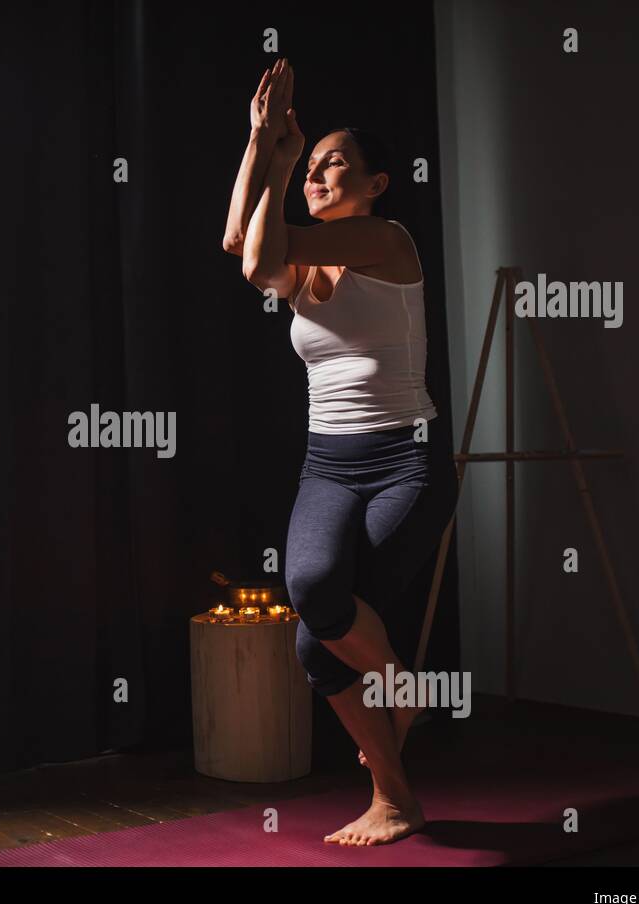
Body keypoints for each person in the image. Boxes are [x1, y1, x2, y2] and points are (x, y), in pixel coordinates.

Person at [223, 58, 458, 846]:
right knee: (317, 616)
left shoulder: (386, 242)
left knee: (315, 624)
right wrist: (262, 143)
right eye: (312, 162)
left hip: (406, 462)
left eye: (335, 164)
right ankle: (399, 783)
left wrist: (279, 163)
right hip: (328, 463)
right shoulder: (309, 264)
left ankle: (393, 788)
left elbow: (256, 253)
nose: (320, 173)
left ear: (378, 183)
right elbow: (239, 241)